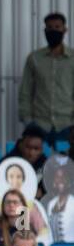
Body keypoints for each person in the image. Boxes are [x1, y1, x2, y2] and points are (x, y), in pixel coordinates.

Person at [18, 12, 73, 150]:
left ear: (64, 30)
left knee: (66, 169)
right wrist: (28, 121)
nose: (53, 31)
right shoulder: (34, 58)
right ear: (45, 31)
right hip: (39, 126)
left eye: (57, 27)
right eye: (49, 28)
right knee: (40, 168)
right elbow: (25, 92)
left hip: (67, 126)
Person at [0, 126, 48, 199]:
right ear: (20, 145)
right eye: (28, 147)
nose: (31, 153)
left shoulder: (46, 165)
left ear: (42, 149)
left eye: (36, 149)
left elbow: (50, 190)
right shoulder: (6, 163)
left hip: (34, 206)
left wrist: (43, 193)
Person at [46, 164, 74, 243]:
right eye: (57, 177)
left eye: (64, 177)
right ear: (54, 182)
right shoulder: (51, 204)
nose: (61, 180)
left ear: (69, 181)